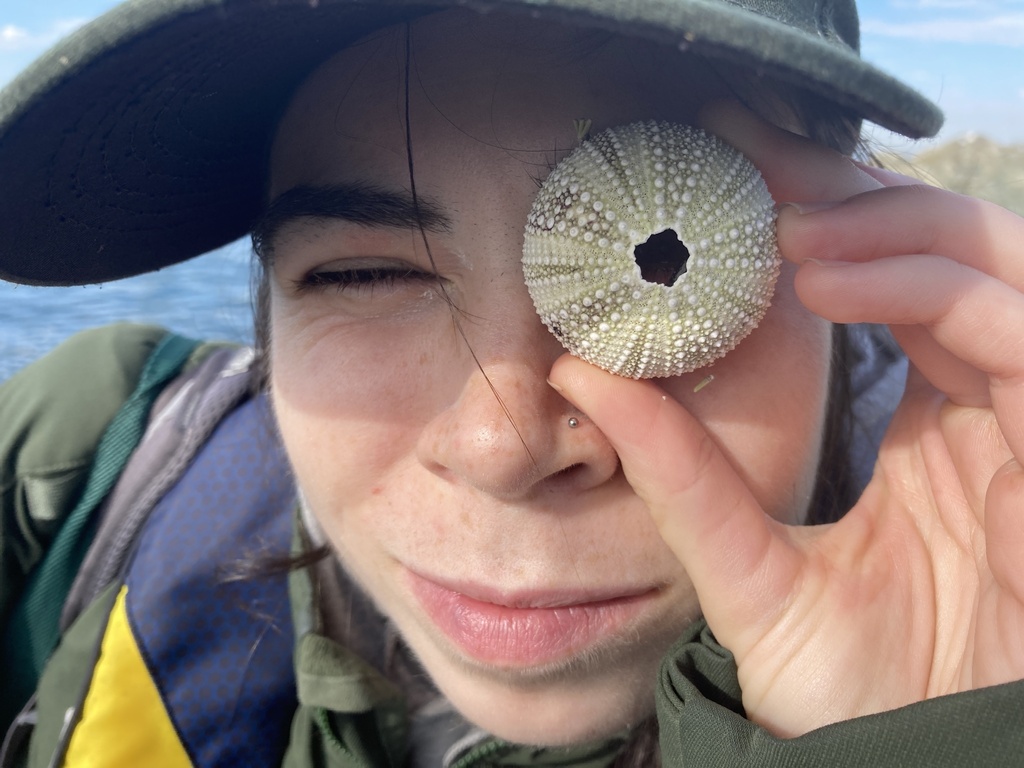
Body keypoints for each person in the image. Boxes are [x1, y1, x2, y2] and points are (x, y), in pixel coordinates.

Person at [1, 0, 1023, 765]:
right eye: (363, 272)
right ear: (268, 308)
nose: (506, 448)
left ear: (854, 304)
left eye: (721, 257)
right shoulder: (74, 462)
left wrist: (930, 736)